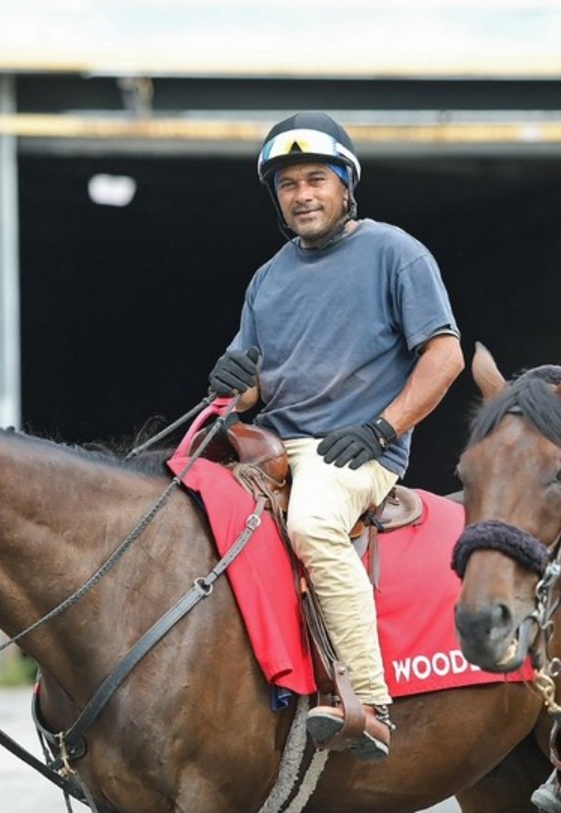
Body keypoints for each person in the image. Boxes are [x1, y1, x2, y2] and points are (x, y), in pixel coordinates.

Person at [206, 111, 464, 762]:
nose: (302, 194)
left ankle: (368, 705)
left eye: (316, 178)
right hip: (271, 449)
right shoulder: (268, 278)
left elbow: (445, 356)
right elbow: (249, 389)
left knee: (314, 526)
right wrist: (231, 381)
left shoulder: (395, 252)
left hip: (350, 449)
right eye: (288, 184)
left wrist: (383, 428)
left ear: (346, 185)